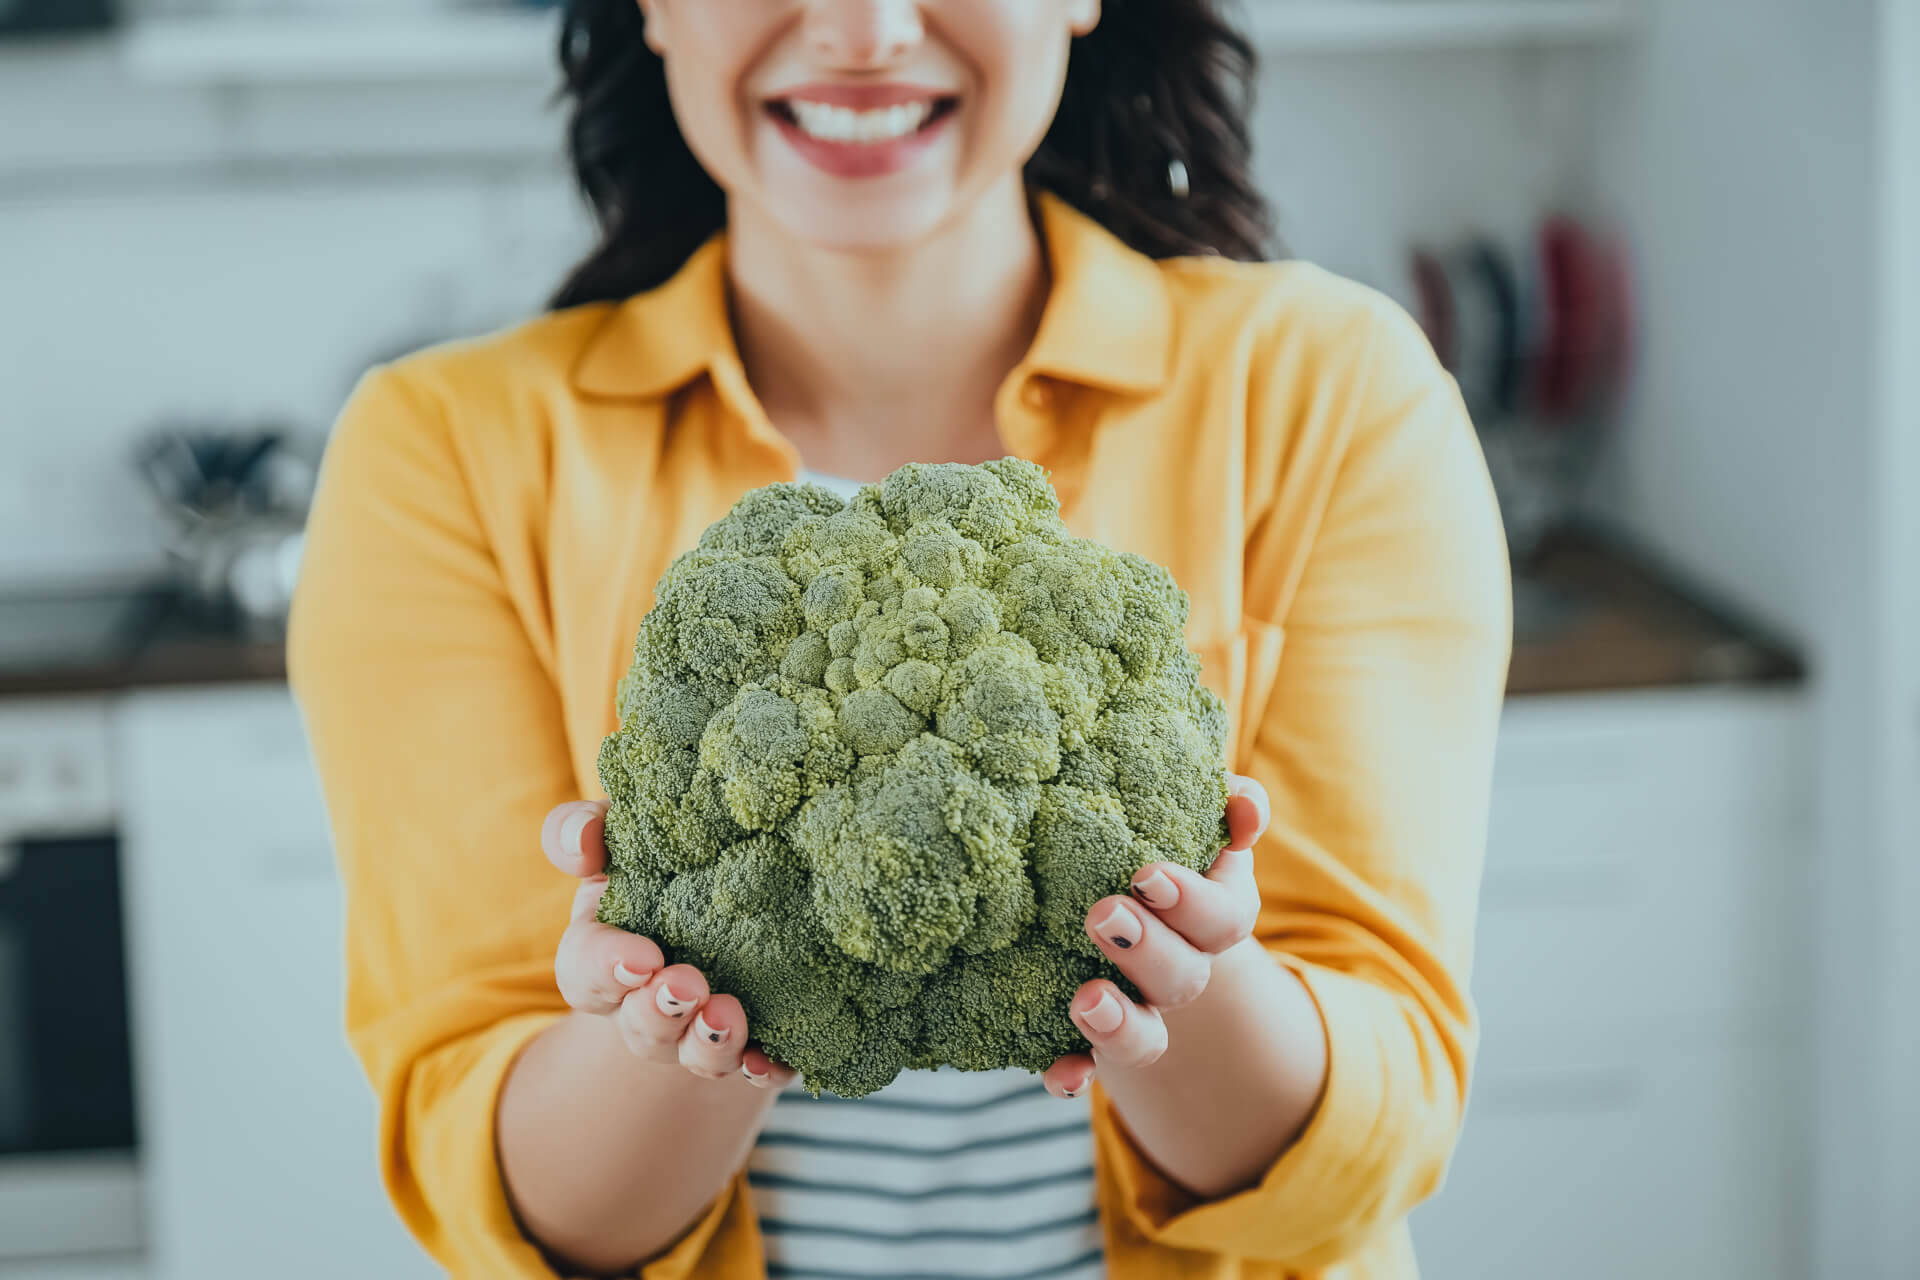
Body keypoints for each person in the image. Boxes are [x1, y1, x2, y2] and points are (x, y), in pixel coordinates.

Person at [285, 1, 1513, 1277]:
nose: (864, 30)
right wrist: (686, 1011)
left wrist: (1187, 980)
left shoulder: (1332, 391)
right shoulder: (440, 452)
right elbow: (508, 1203)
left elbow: (1375, 1136)